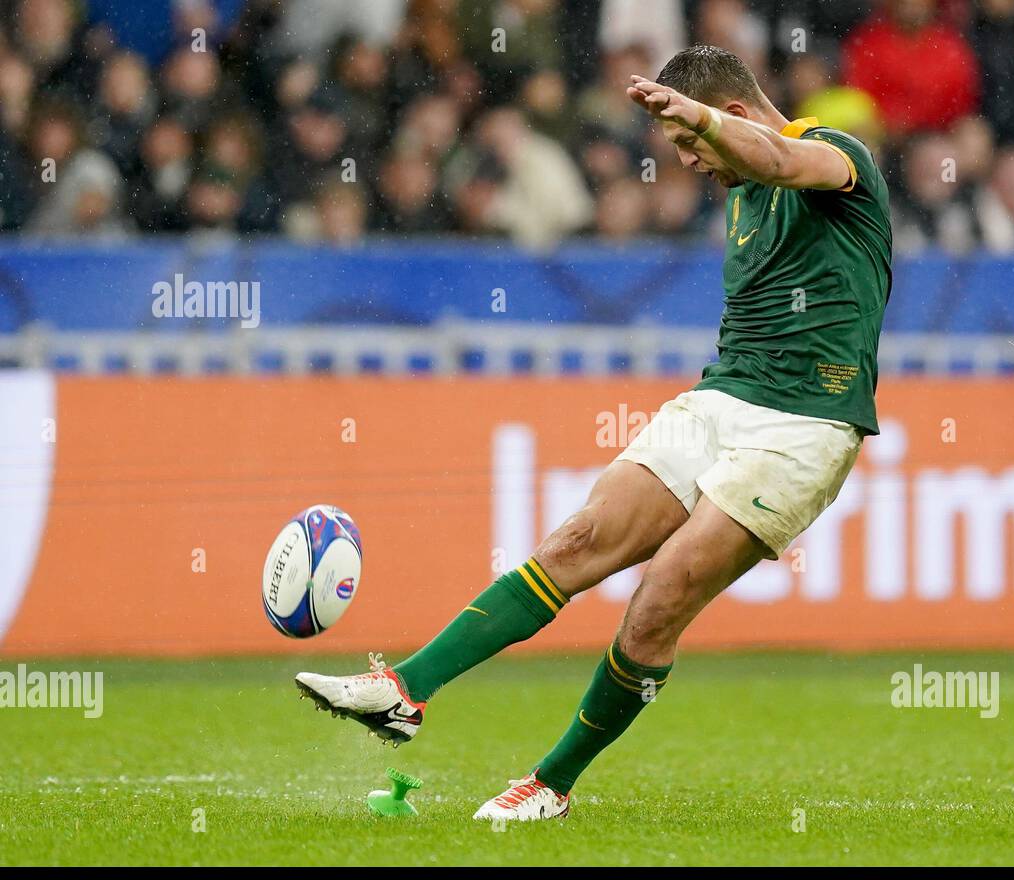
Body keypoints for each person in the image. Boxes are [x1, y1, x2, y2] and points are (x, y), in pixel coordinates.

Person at [294, 44, 893, 822]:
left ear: (732, 115)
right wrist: (705, 131)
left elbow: (780, 157)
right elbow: (754, 165)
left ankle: (550, 784)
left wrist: (702, 121)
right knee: (576, 542)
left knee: (660, 595)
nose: (691, 163)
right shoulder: (741, 187)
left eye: (692, 148)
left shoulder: (835, 155)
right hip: (724, 398)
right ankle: (406, 689)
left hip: (807, 424)